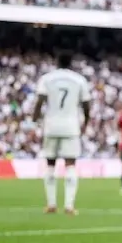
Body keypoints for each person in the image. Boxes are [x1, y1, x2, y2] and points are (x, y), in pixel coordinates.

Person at [32, 53, 91, 215]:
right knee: (70, 165)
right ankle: (69, 206)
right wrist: (86, 122)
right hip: (71, 126)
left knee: (50, 164)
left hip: (51, 125)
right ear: (71, 63)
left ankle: (51, 204)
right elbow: (86, 105)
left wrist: (33, 121)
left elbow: (39, 101)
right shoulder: (79, 80)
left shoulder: (47, 78)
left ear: (57, 62)